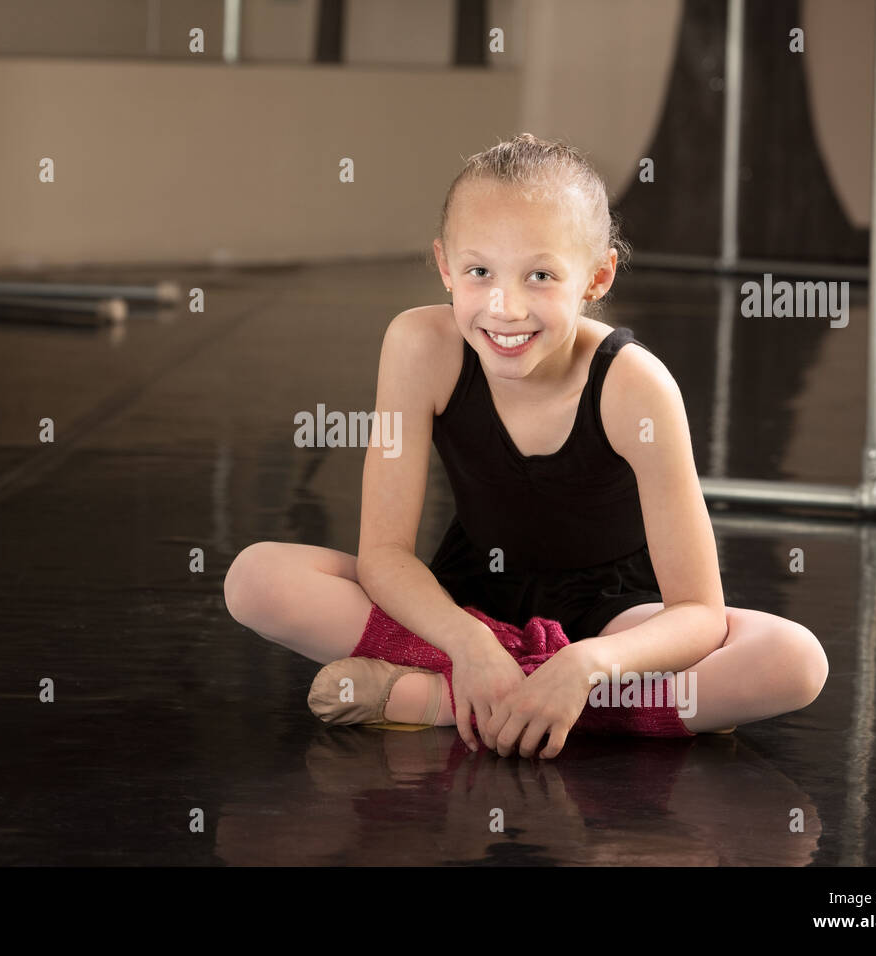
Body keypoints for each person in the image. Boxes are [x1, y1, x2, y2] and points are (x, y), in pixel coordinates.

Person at [224, 133, 828, 758]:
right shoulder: (419, 346)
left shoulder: (635, 386)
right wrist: (469, 643)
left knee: (792, 661)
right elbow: (384, 556)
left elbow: (699, 612)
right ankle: (549, 700)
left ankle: (445, 701)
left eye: (540, 275)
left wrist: (589, 664)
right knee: (257, 579)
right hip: (467, 601)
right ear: (444, 266)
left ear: (597, 275)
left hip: (613, 615)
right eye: (479, 271)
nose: (504, 307)